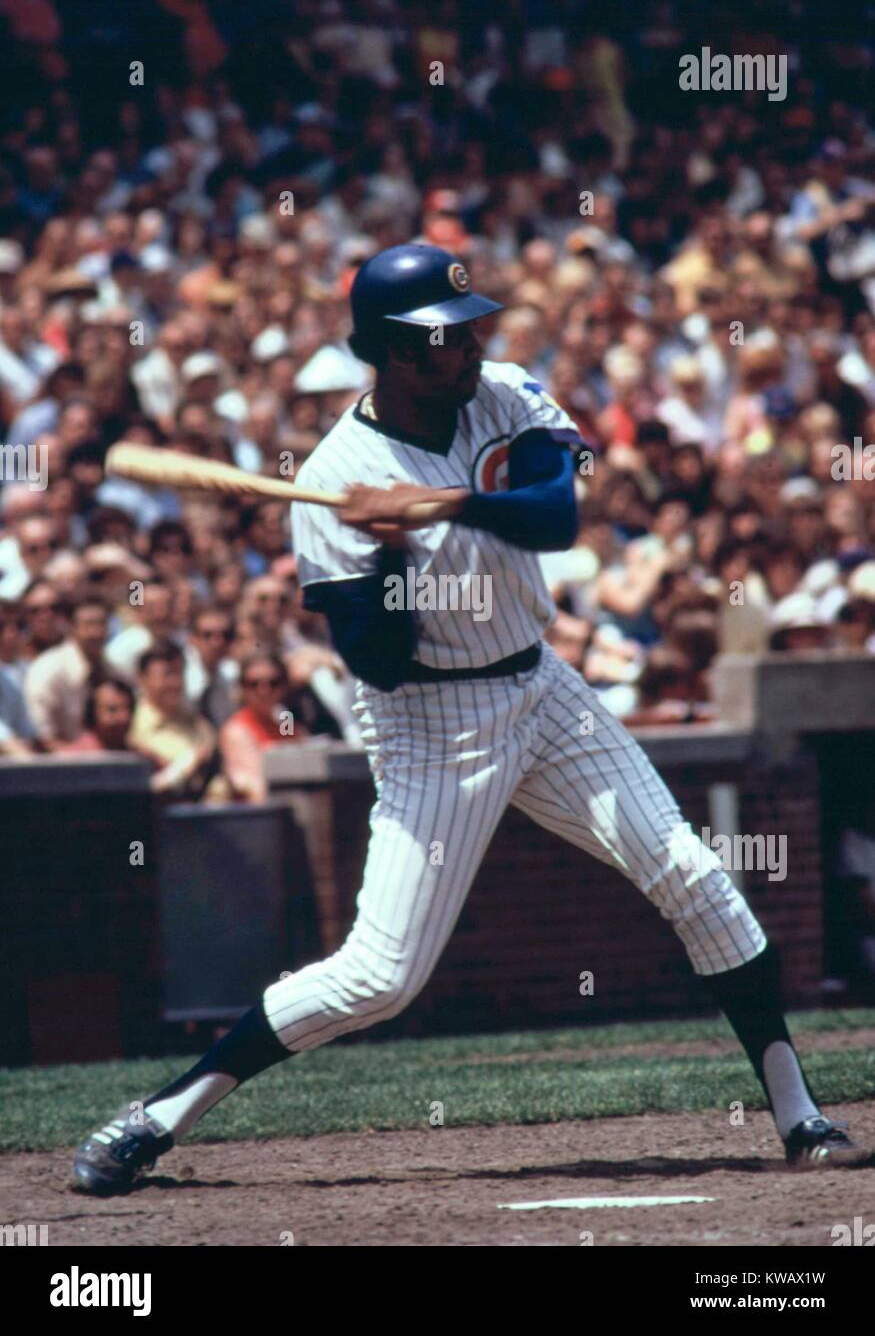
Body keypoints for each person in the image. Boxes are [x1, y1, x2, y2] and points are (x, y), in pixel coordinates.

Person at [72, 244, 869, 1195]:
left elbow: (552, 514)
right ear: (395, 354)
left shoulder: (500, 391)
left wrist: (447, 501)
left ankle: (796, 1111)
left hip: (545, 686)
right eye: (449, 338)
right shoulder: (335, 481)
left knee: (694, 875)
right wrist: (396, 560)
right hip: (431, 723)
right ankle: (160, 1116)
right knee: (382, 977)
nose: (473, 344)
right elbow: (376, 659)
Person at [23, 594, 116, 748]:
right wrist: (79, 755)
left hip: (109, 761)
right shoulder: (48, 670)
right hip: (61, 765)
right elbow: (41, 736)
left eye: (101, 624)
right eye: (88, 624)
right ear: (71, 627)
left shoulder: (114, 671)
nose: (96, 632)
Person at [129, 641, 218, 799]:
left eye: (179, 674)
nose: (175, 683)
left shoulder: (195, 721)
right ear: (142, 679)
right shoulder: (131, 725)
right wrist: (192, 761)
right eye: (167, 675)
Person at [219, 651, 306, 803]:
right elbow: (258, 791)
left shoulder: (285, 721)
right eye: (254, 684)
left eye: (273, 683)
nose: (264, 691)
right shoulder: (237, 730)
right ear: (242, 687)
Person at [60, 677, 137, 753]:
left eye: (127, 709)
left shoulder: (138, 757)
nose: (124, 717)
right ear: (92, 714)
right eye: (112, 710)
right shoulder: (76, 758)